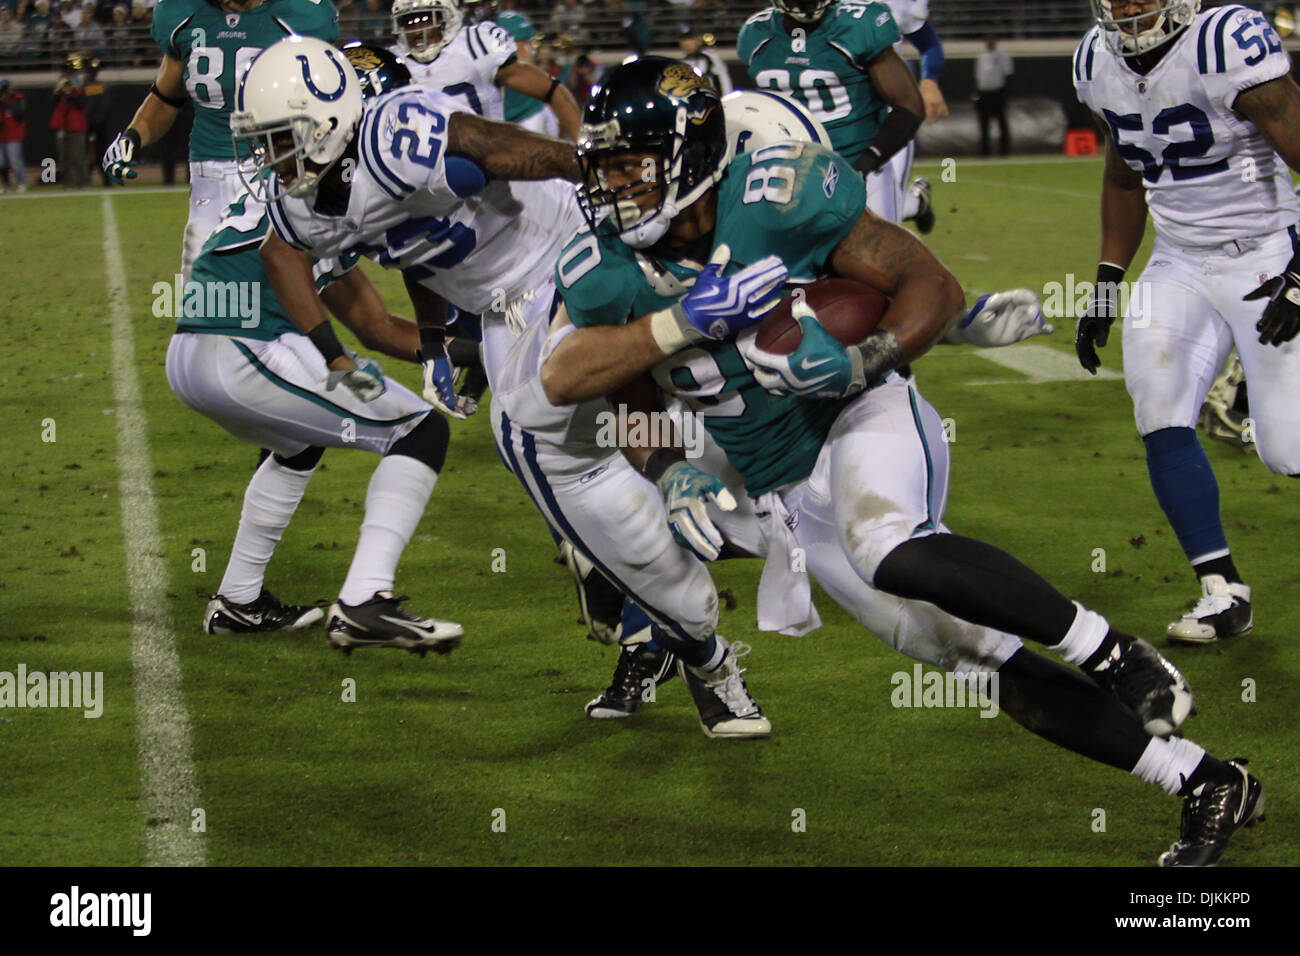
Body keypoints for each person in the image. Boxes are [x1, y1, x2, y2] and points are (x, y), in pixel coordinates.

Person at [540, 55, 1264, 866]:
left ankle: (1111, 649)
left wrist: (863, 359)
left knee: (887, 543)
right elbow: (582, 379)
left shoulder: (773, 198)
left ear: (693, 151)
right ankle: (1203, 782)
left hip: (860, 410)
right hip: (782, 485)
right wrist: (668, 461)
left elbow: (929, 281)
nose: (615, 187)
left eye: (632, 165)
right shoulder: (603, 267)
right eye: (603, 167)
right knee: (973, 656)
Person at [238, 35, 773, 738]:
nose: (271, 157)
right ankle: (692, 646)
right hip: (505, 310)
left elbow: (488, 145)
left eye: (282, 137)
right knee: (574, 450)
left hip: (568, 250)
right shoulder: (309, 203)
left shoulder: (392, 135)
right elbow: (361, 253)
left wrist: (587, 167)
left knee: (664, 399)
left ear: (330, 121)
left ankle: (699, 534)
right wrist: (423, 341)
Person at [1073, 0, 1300, 642]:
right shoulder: (1094, 58)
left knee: (1286, 451)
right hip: (1178, 260)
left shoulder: (1224, 41)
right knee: (1159, 404)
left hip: (1269, 250)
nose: (1131, 7)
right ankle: (1222, 590)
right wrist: (1109, 281)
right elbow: (1124, 175)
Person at [99, 0, 339, 281]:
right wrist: (133, 136)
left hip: (276, 171)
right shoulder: (181, 13)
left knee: (282, 295)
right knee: (203, 301)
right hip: (208, 179)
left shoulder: (301, 14)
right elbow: (165, 98)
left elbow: (334, 96)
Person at [738, 0, 935, 233]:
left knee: (880, 264)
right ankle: (916, 203)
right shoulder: (755, 35)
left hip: (860, 169)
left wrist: (865, 163)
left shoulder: (859, 25)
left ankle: (913, 202)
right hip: (791, 178)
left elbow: (910, 106)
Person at [390, 0, 580, 139]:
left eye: (425, 20)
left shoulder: (477, 43)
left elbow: (552, 90)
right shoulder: (392, 63)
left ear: (445, 17)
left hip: (492, 155)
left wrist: (583, 146)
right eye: (408, 22)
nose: (417, 32)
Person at [52, 53, 89, 187]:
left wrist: (71, 92)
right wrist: (58, 91)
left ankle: (83, 183)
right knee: (64, 157)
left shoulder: (80, 84)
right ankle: (68, 183)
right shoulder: (60, 83)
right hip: (63, 124)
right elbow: (52, 103)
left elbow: (81, 103)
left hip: (77, 125)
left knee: (79, 156)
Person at [974, 35, 1012, 156]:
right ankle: (984, 151)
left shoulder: (1002, 56)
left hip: (997, 92)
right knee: (984, 124)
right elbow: (978, 77)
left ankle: (1004, 151)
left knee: (1001, 123)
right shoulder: (981, 58)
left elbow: (1008, 74)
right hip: (984, 93)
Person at [677, 22, 731, 96]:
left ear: (698, 40)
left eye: (691, 39)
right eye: (684, 39)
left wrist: (727, 98)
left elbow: (723, 80)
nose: (687, 43)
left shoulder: (710, 58)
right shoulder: (680, 62)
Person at [0, 78, 26, 192]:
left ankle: (21, 182)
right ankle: (6, 184)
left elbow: (20, 113)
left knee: (15, 161)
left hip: (13, 135)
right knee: (1, 162)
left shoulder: (17, 98)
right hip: (1, 135)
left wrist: (8, 101)